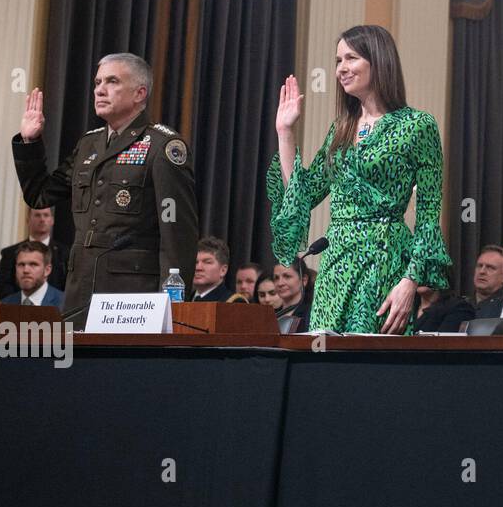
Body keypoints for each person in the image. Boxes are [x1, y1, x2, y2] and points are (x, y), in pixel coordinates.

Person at [269, 25, 452, 334]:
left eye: (351, 58)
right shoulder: (341, 127)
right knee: (325, 359)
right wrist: (285, 133)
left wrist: (410, 281)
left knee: (370, 362)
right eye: (338, 60)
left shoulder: (418, 125)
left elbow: (429, 217)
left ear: (378, 62)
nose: (341, 68)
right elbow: (303, 194)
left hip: (384, 259)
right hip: (335, 263)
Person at [13, 53, 199, 318]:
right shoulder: (89, 144)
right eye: (97, 82)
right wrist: (29, 142)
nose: (100, 89)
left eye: (112, 82)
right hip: (80, 292)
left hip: (132, 297)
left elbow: (177, 236)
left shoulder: (162, 146)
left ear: (139, 93)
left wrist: (172, 306)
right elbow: (40, 195)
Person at [0, 206, 68, 299]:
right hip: (18, 308)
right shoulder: (10, 253)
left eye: (46, 215)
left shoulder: (65, 253)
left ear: (52, 220)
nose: (42, 219)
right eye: (37, 215)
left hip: (56, 308)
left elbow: (69, 284)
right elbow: (4, 285)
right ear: (28, 220)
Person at [2, 241, 65, 308]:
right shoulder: (5, 304)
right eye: (21, 264)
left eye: (33, 264)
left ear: (47, 270)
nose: (25, 270)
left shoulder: (65, 304)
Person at [272, 260, 312, 333]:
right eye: (276, 278)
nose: (280, 283)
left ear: (304, 280)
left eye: (287, 276)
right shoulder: (271, 315)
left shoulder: (310, 314)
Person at [191, 236, 235, 302]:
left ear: (223, 270)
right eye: (195, 262)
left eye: (207, 262)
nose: (198, 268)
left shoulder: (232, 302)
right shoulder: (184, 298)